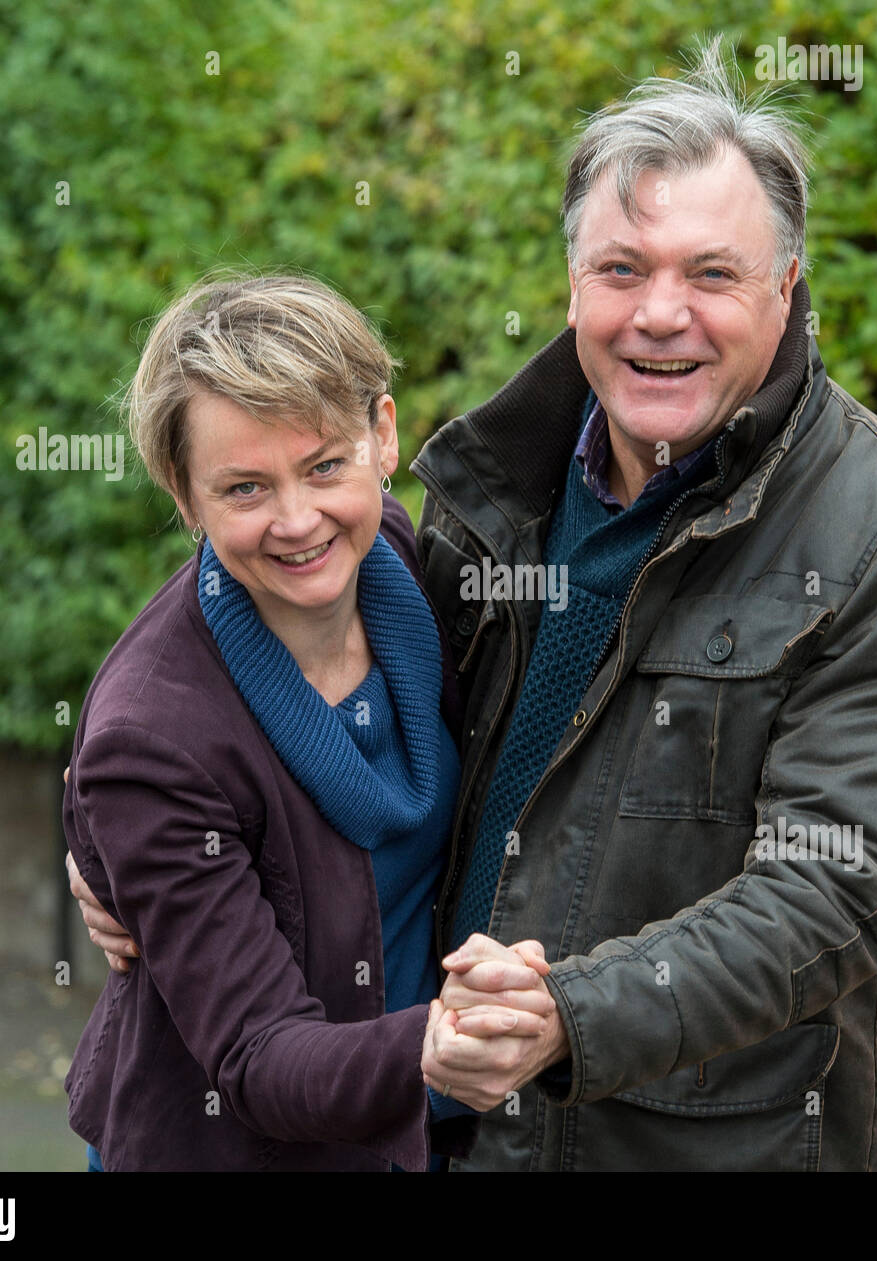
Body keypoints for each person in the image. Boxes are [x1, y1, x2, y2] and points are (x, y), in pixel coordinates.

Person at [74, 36, 877, 1170]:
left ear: (786, 287)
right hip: (463, 1134)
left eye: (712, 273)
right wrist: (116, 837)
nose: (662, 313)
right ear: (570, 285)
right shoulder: (488, 490)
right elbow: (240, 604)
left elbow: (836, 889)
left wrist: (571, 1015)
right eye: (621, 269)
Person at [61, 273, 555, 1172]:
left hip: (401, 1136)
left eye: (325, 465)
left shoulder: (400, 561)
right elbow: (257, 1056)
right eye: (245, 488)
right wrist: (437, 1043)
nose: (298, 521)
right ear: (184, 493)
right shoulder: (153, 741)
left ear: (384, 435)